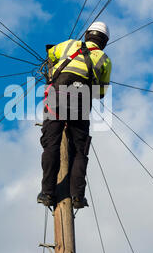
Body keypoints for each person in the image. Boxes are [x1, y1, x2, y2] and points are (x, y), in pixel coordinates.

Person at [37, 21, 112, 209]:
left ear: (87, 35)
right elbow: (101, 93)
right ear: (103, 41)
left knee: (51, 144)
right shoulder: (104, 59)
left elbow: (50, 54)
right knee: (79, 150)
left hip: (57, 98)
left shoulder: (69, 44)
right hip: (81, 103)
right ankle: (77, 196)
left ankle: (47, 193)